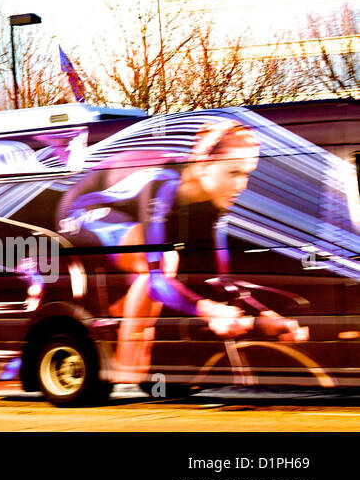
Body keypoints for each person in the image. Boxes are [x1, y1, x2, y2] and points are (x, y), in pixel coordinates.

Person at [56, 118, 305, 383]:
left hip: (126, 218)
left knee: (163, 268)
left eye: (247, 174)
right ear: (204, 163)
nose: (241, 186)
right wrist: (209, 310)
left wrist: (263, 315)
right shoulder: (162, 178)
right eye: (233, 173)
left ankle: (124, 314)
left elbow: (221, 280)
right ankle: (124, 373)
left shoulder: (212, 200)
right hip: (79, 213)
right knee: (164, 262)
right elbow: (157, 279)